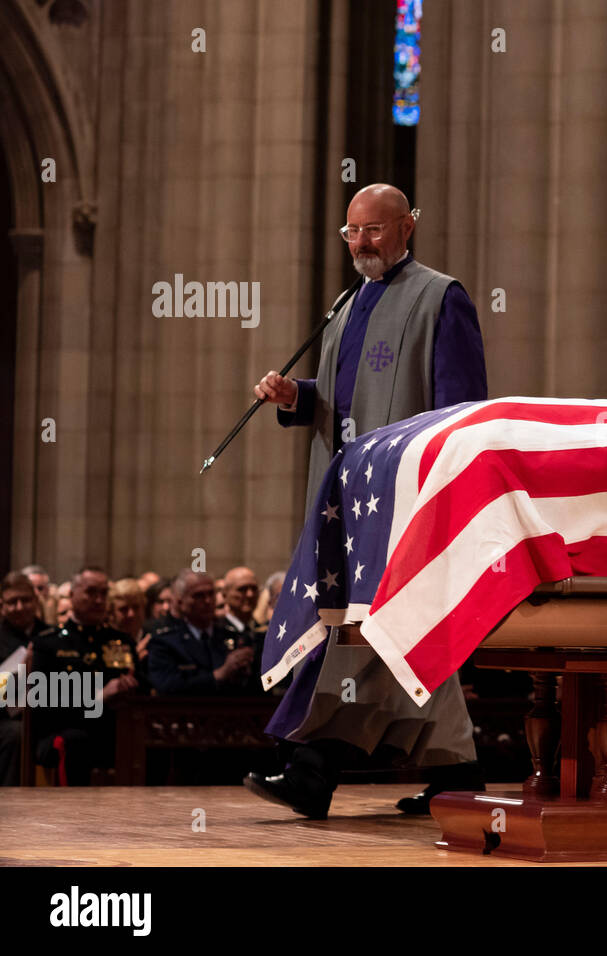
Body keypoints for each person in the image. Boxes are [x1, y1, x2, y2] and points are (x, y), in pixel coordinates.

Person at [245, 183, 488, 819]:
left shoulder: (441, 296)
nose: (361, 243)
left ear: (409, 225)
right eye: (351, 232)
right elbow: (341, 395)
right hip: (344, 495)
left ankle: (313, 772)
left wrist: (441, 495)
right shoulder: (346, 304)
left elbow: (462, 408)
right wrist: (297, 396)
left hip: (402, 496)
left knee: (362, 632)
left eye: (374, 230)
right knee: (392, 633)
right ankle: (456, 774)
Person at [28, 567, 139, 785]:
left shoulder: (120, 641)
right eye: (91, 592)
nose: (98, 600)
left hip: (114, 727)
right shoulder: (49, 643)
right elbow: (44, 702)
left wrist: (130, 688)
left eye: (103, 594)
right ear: (71, 595)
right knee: (75, 742)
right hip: (64, 729)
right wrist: (99, 697)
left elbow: (144, 684)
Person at [147, 571, 258, 696]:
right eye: (199, 595)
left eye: (211, 594)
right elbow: (166, 686)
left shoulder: (234, 637)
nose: (207, 601)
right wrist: (218, 675)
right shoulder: (166, 642)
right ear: (180, 602)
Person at [0, 572, 55, 785]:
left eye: (26, 600)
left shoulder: (52, 635)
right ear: (2, 605)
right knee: (16, 734)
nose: (20, 607)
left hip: (49, 710)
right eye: (13, 602)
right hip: (7, 717)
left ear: (35, 600)